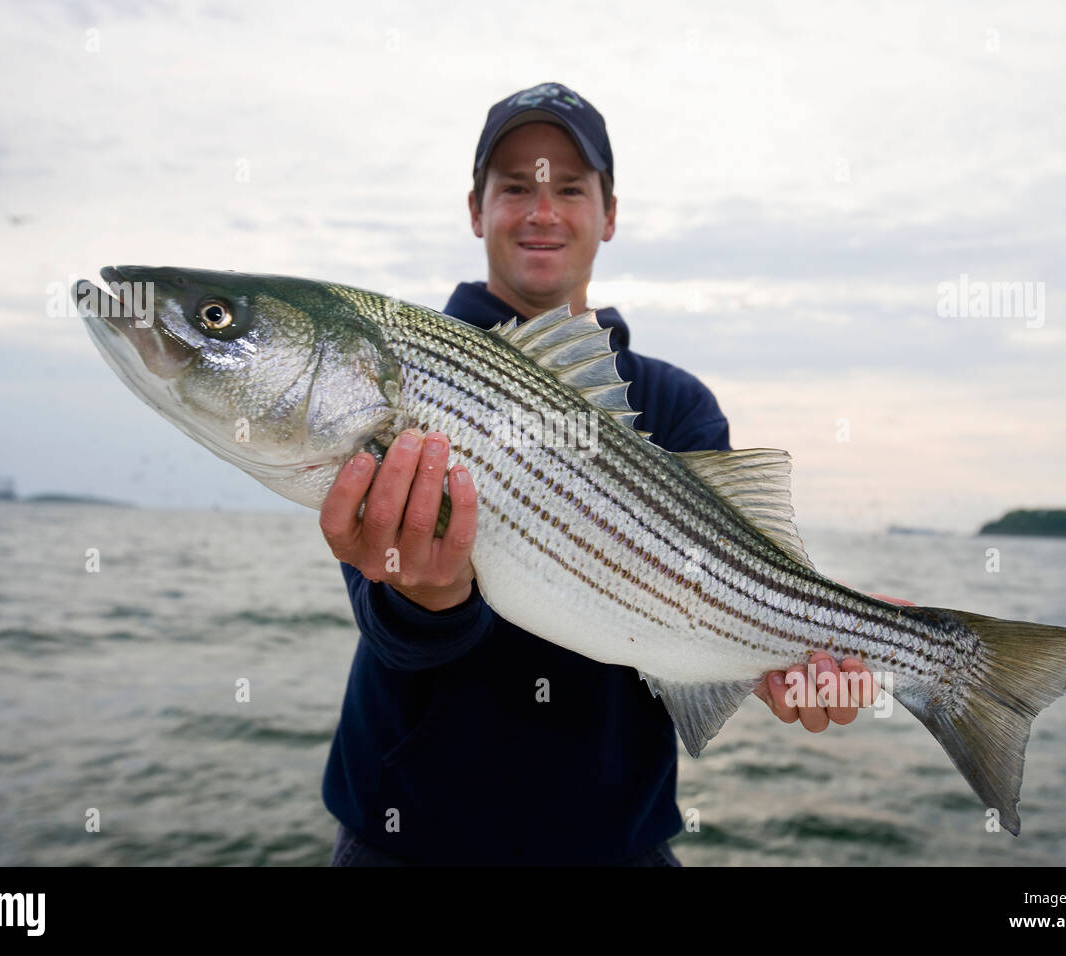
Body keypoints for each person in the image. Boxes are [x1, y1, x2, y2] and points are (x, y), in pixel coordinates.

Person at [318, 82, 907, 866]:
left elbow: (733, 584)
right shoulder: (401, 371)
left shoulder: (674, 402)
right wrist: (423, 595)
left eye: (569, 188)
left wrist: (786, 649)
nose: (541, 211)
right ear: (475, 209)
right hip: (408, 839)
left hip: (617, 846)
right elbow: (391, 630)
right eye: (514, 188)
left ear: (610, 214)